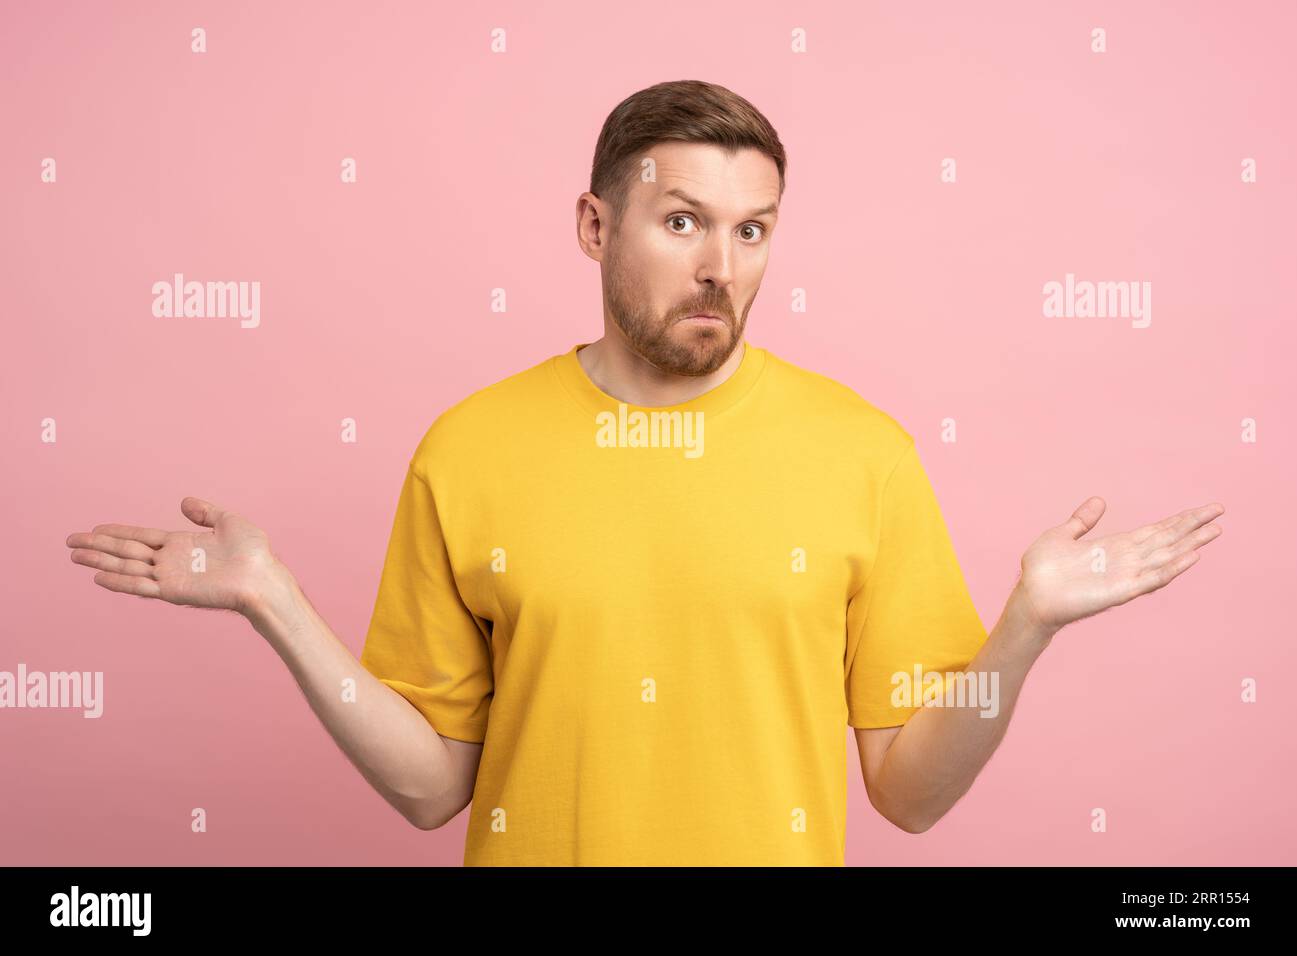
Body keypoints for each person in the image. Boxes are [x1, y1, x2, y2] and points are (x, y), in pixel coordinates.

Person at [63, 79, 1225, 866]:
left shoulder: (863, 451)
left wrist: (1024, 626)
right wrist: (276, 602)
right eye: (682, 222)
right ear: (593, 223)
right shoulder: (467, 446)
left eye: (753, 230)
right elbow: (429, 789)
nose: (721, 265)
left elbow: (909, 794)